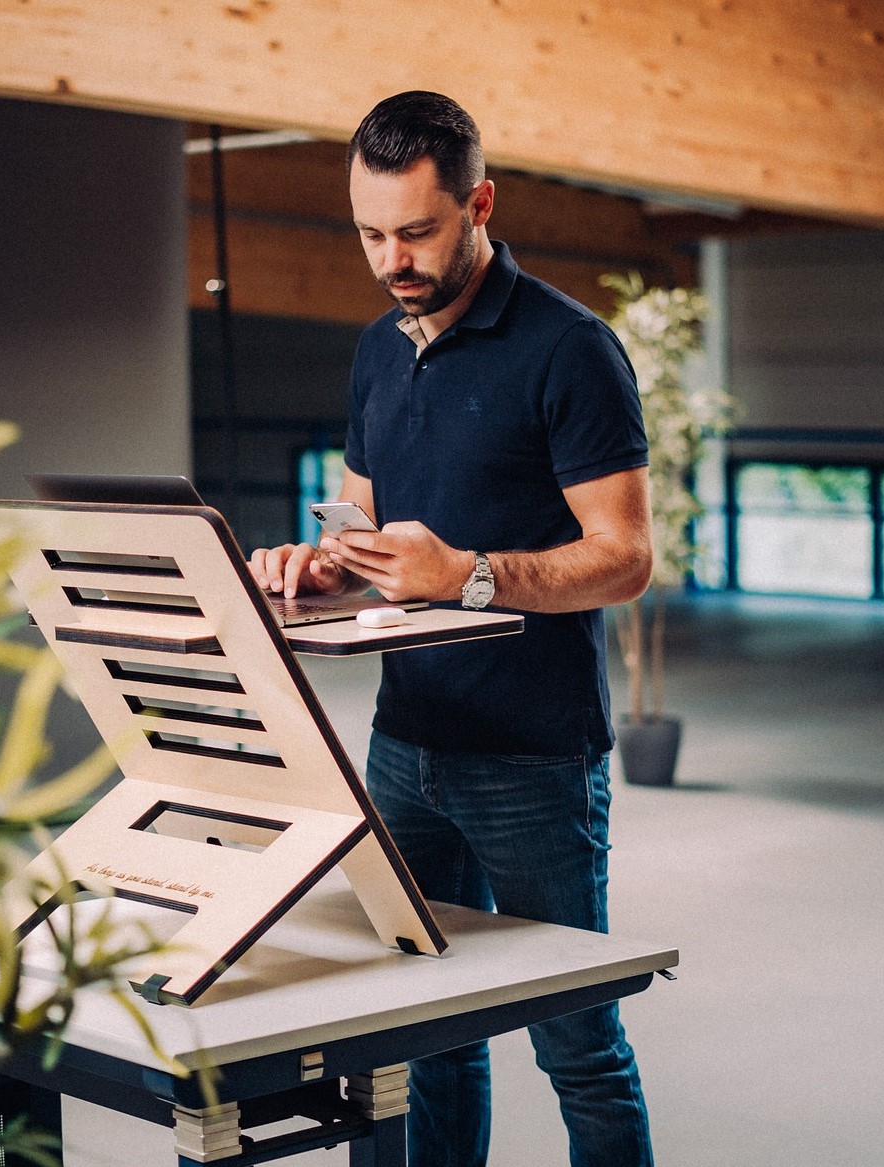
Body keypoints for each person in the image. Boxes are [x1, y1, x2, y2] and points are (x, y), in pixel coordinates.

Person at [250, 91, 655, 1167]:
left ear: (479, 205)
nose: (392, 260)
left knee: (578, 1044)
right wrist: (316, 566)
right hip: (404, 745)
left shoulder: (572, 349)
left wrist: (468, 576)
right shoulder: (377, 351)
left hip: (533, 756)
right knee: (424, 1034)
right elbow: (360, 526)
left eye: (417, 232)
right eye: (370, 234)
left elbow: (624, 556)